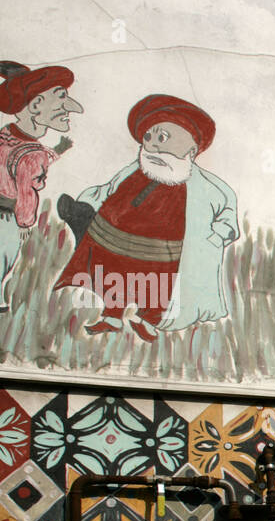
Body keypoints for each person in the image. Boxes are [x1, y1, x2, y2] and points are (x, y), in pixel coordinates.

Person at [54, 95, 238, 341]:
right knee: (114, 278)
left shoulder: (205, 187)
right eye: (149, 138)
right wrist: (88, 202)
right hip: (113, 242)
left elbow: (226, 210)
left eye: (163, 138)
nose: (153, 145)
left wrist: (220, 233)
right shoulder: (135, 170)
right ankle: (111, 317)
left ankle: (149, 322)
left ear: (192, 149)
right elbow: (110, 188)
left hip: (163, 254)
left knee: (156, 287)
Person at [0, 61, 81, 314]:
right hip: (1, 218)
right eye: (61, 101)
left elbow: (23, 160)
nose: (70, 110)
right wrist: (24, 224)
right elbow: (27, 191)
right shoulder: (33, 154)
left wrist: (57, 151)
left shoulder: (7, 133)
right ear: (35, 106)